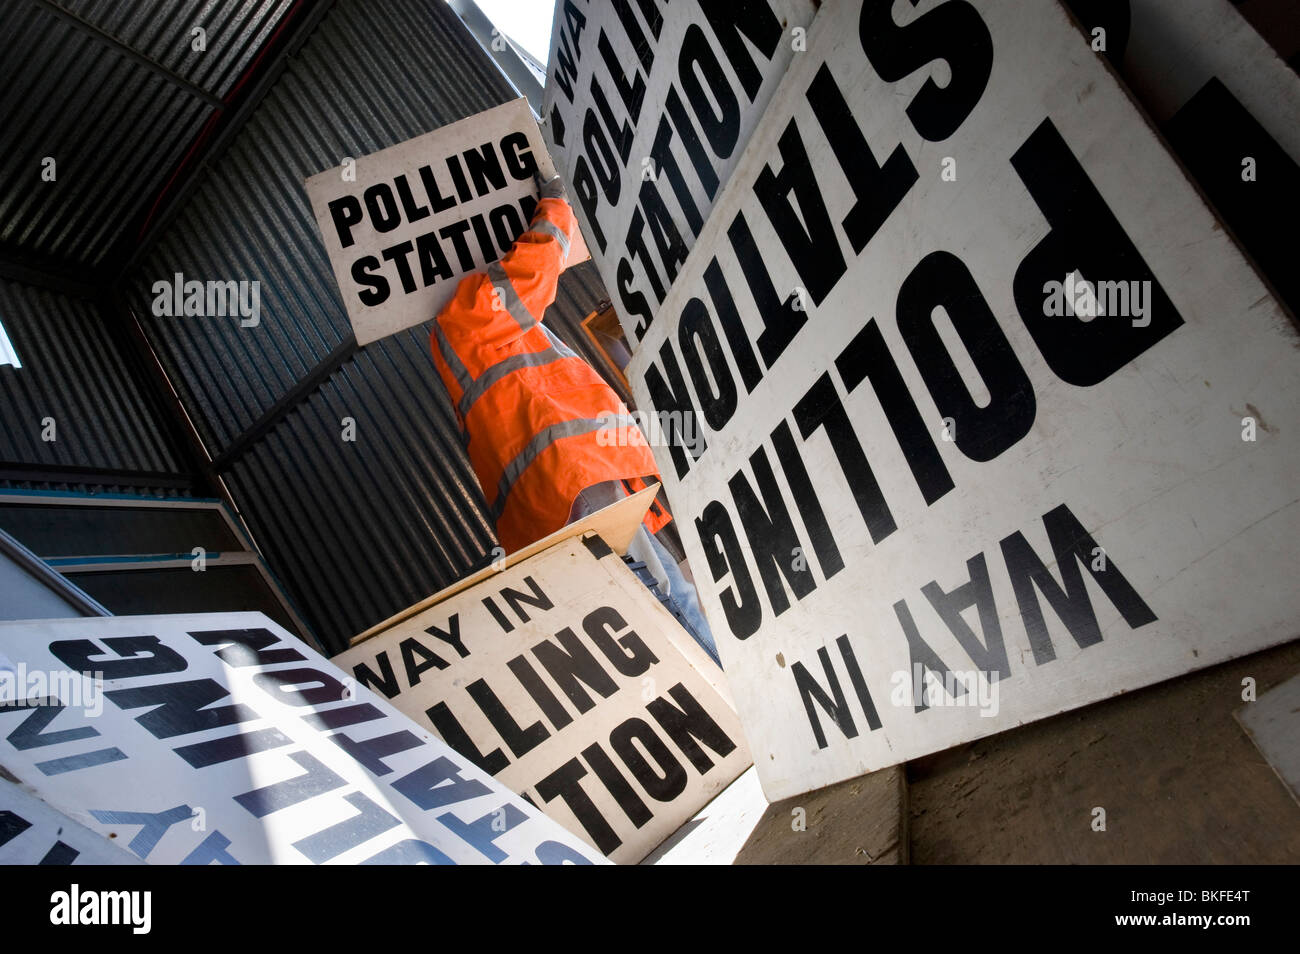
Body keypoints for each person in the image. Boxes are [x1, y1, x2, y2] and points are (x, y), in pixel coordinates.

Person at [428, 174, 717, 663]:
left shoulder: (483, 333)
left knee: (653, 604)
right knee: (671, 599)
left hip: (565, 495)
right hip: (573, 484)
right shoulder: (469, 312)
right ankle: (742, 701)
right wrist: (558, 202)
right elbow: (536, 268)